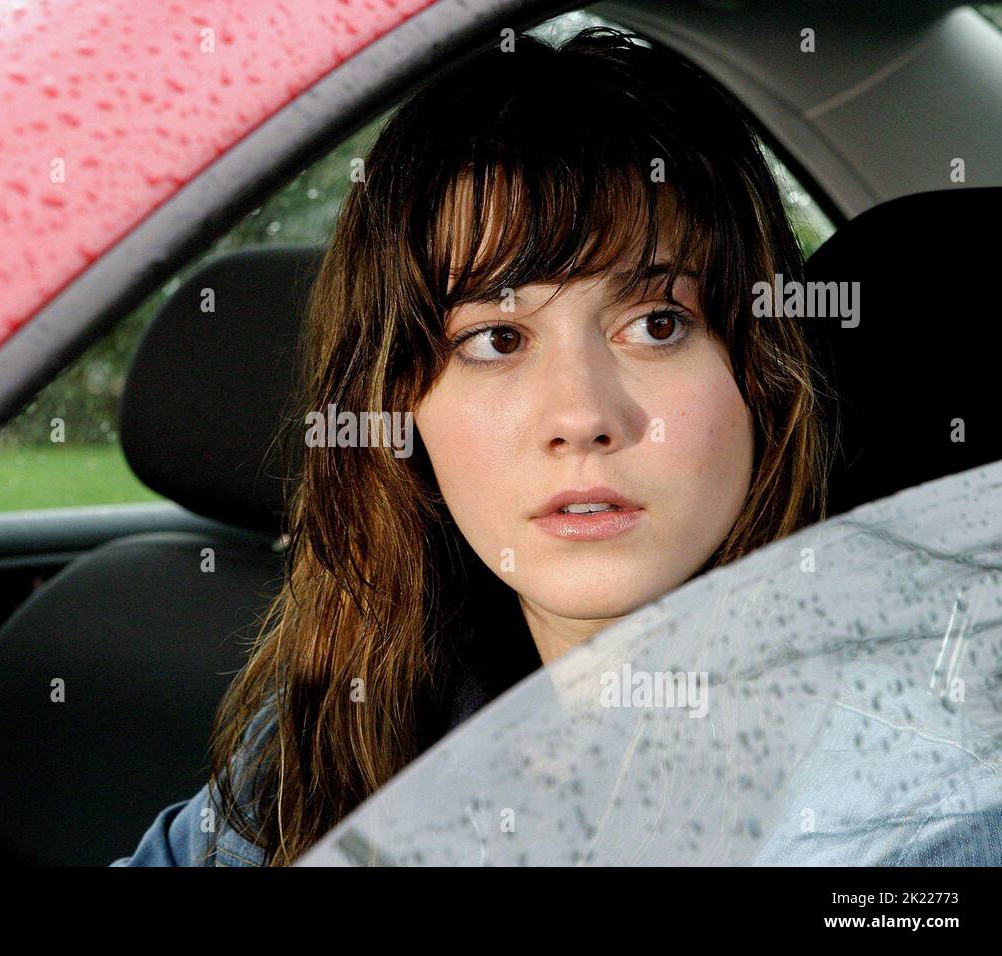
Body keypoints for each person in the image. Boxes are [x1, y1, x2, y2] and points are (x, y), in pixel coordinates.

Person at [112, 25, 831, 867]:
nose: (581, 415)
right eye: (495, 340)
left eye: (656, 323)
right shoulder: (343, 730)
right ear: (401, 412)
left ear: (762, 371)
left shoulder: (914, 800)